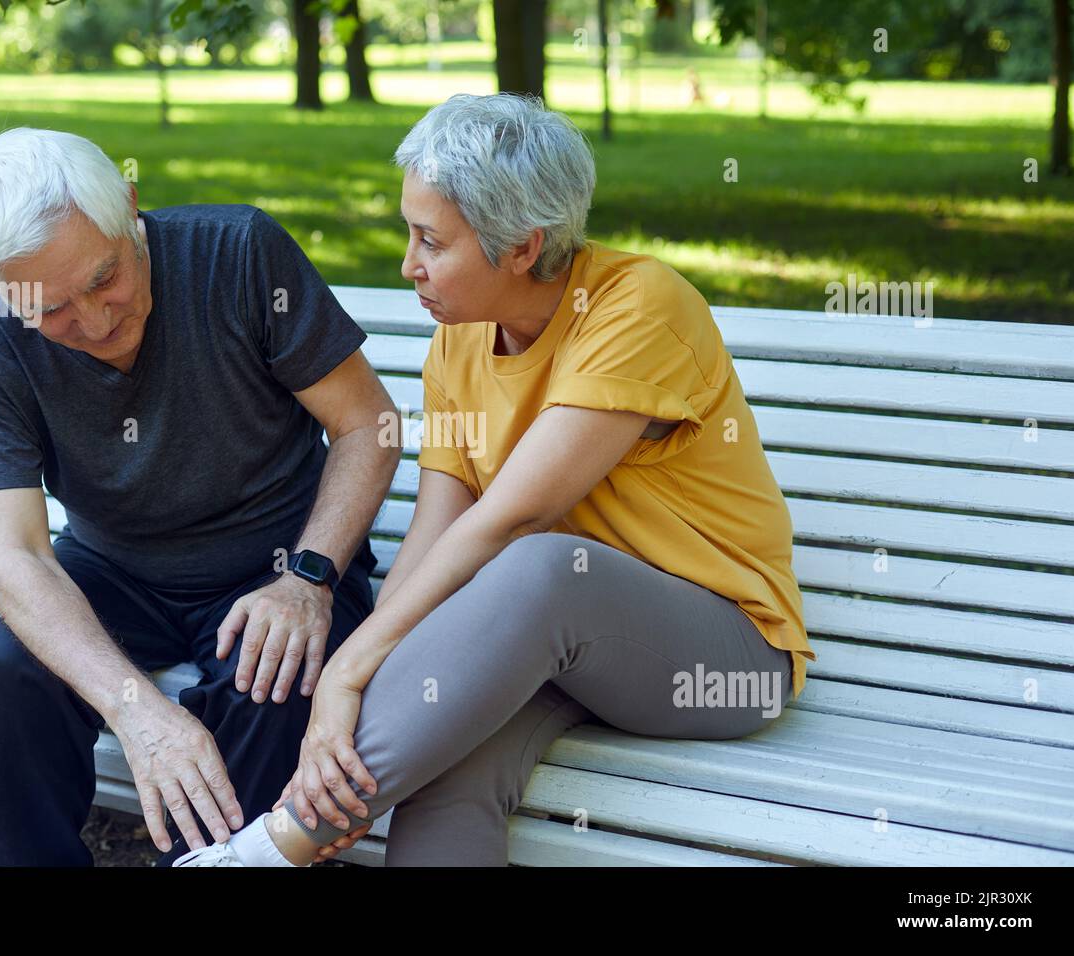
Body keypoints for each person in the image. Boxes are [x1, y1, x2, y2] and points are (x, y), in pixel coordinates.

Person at [173, 92, 817, 868]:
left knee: (550, 564)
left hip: (724, 656)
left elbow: (513, 520)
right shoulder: (458, 342)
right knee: (446, 776)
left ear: (522, 246)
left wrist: (346, 672)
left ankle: (270, 850)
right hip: (562, 645)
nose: (408, 264)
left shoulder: (641, 307)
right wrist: (365, 705)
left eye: (430, 241)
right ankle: (294, 826)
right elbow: (438, 529)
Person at [0, 128, 400, 865]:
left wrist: (308, 579)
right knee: (10, 681)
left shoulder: (238, 252)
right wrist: (135, 710)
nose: (93, 324)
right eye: (49, 310)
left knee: (271, 686)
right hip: (114, 568)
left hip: (279, 560)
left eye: (103, 279)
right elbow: (14, 555)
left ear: (128, 206)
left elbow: (367, 427)